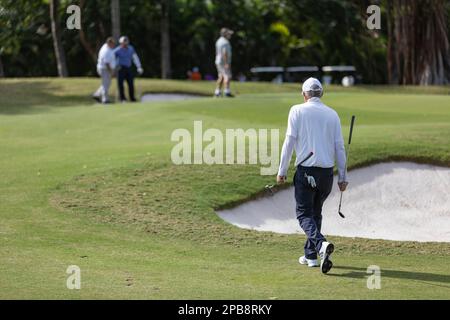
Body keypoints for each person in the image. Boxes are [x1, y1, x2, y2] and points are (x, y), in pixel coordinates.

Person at [277, 78, 348, 274]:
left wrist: (282, 170)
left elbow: (289, 142)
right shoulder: (332, 114)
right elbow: (339, 148)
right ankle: (311, 256)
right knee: (315, 214)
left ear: (304, 94)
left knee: (303, 214)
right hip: (326, 174)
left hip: (306, 171)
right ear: (321, 94)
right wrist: (343, 177)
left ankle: (321, 245)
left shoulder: (297, 110)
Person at [114, 36, 143, 102]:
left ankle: (132, 98)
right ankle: (122, 98)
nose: (125, 44)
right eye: (123, 43)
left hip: (128, 68)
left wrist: (139, 67)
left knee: (131, 83)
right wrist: (115, 66)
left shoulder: (131, 48)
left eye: (126, 42)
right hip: (120, 68)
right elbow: (113, 59)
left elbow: (135, 58)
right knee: (120, 84)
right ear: (121, 43)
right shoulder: (117, 50)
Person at [93, 37, 116, 104]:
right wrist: (111, 72)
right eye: (112, 43)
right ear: (109, 43)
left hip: (105, 68)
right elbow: (107, 63)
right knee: (105, 84)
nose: (114, 45)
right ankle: (105, 100)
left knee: (106, 83)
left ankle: (97, 94)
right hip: (104, 69)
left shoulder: (107, 47)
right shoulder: (106, 50)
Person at [214, 28, 234, 98]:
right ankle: (227, 92)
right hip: (223, 62)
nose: (230, 35)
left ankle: (217, 92)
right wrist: (226, 63)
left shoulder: (218, 41)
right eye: (228, 34)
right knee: (227, 76)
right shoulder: (225, 42)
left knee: (221, 76)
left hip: (218, 61)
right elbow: (224, 53)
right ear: (225, 34)